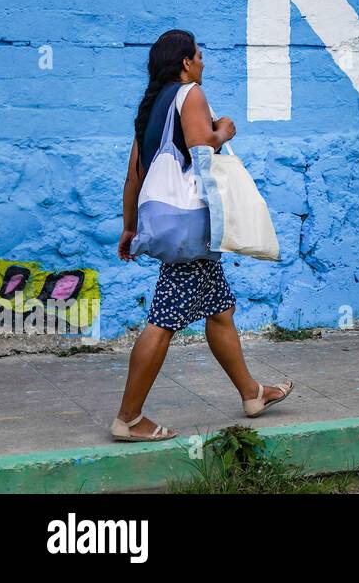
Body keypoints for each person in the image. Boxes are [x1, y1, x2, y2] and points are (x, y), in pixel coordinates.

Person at [112, 29, 292, 441]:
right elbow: (202, 144)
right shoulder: (189, 94)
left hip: (169, 223)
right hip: (190, 229)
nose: (203, 61)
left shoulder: (150, 109)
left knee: (219, 310)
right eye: (198, 55)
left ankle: (252, 394)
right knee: (163, 321)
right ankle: (128, 417)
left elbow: (133, 176)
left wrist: (129, 227)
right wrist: (225, 130)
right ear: (184, 63)